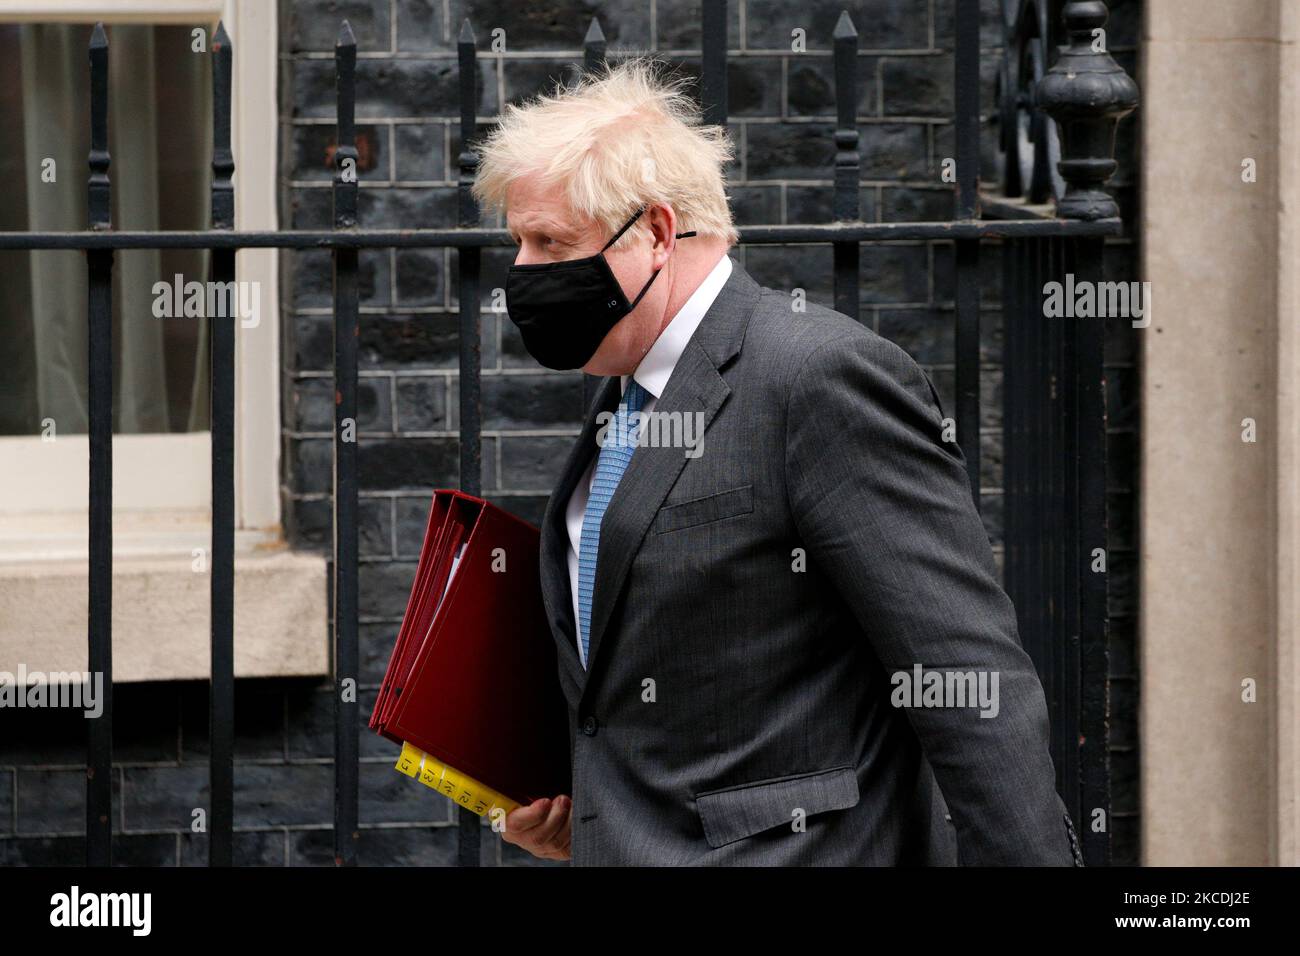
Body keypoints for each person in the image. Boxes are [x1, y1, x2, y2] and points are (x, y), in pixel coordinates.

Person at [469, 57, 1083, 866]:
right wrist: (582, 813)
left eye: (550, 242)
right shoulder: (630, 383)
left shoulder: (816, 377)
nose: (523, 275)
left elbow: (967, 677)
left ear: (655, 233)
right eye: (518, 243)